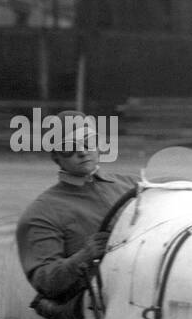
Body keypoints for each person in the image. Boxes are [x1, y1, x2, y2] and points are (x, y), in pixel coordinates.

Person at [15, 112, 136, 305]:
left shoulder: (133, 185)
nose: (82, 151)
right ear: (56, 157)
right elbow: (44, 281)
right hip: (98, 303)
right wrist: (84, 256)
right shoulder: (43, 212)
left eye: (88, 141)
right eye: (68, 147)